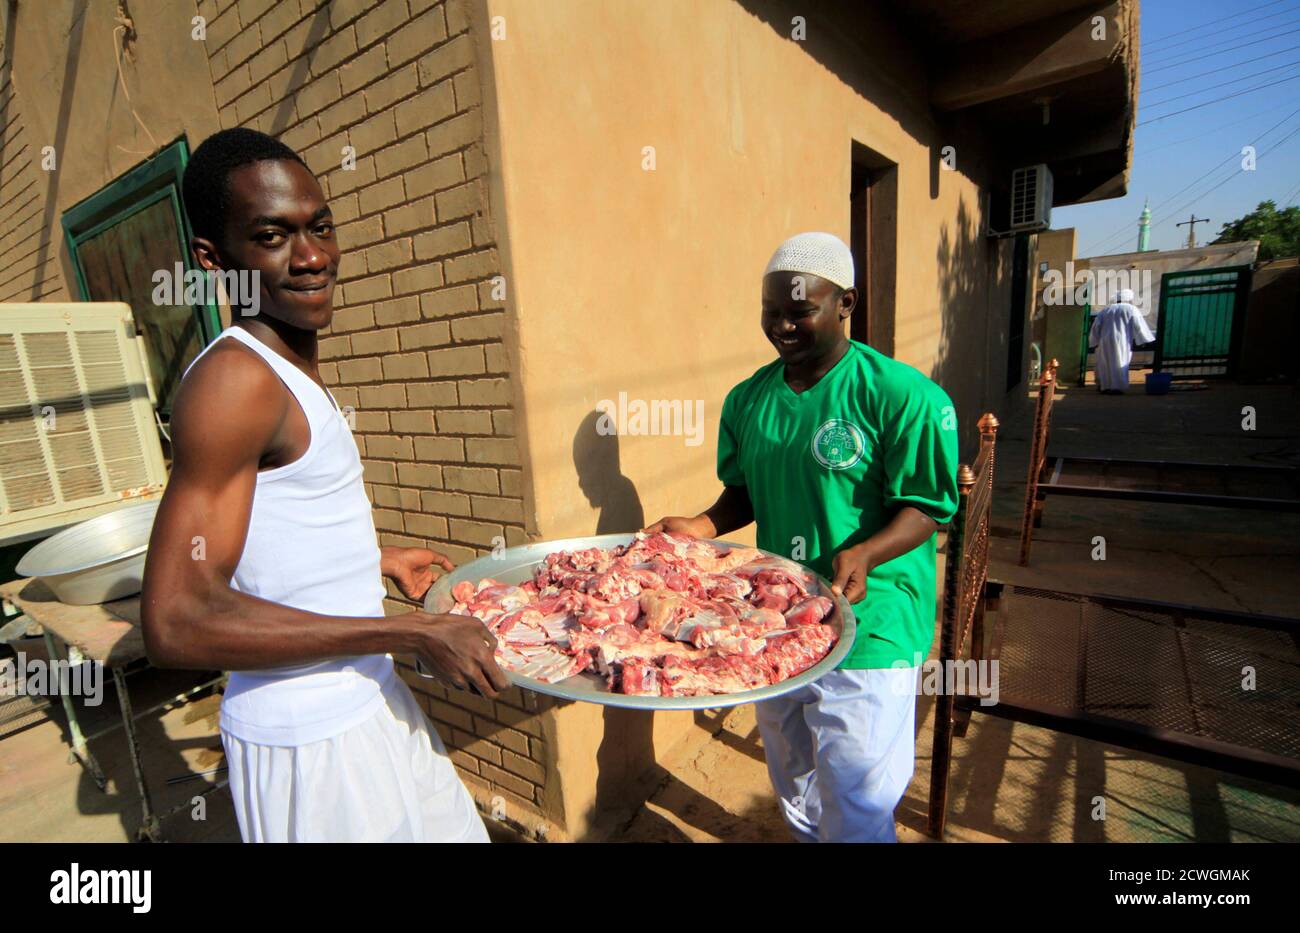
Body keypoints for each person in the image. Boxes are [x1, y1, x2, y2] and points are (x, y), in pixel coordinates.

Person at [140, 128, 507, 843]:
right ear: (216, 259)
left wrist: (369, 561)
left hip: (368, 699)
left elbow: (271, 531)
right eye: (273, 236)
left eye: (320, 226)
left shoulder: (286, 367)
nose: (310, 257)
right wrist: (408, 630)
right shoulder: (234, 381)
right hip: (312, 742)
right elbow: (175, 619)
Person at [647, 232, 959, 842]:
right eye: (772, 313)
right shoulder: (747, 400)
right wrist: (703, 525)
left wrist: (866, 551)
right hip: (775, 610)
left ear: (846, 303)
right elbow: (745, 492)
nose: (783, 326)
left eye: (800, 311)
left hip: (875, 609)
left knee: (856, 782)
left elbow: (929, 506)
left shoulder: (902, 395)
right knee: (792, 770)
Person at [1089, 287, 1155, 394]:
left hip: (1104, 341)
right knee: (1120, 362)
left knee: (1105, 363)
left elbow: (1096, 326)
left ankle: (1105, 387)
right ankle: (1117, 388)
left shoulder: (1106, 310)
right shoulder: (1131, 308)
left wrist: (1094, 341)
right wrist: (1144, 338)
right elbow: (1139, 325)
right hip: (1121, 340)